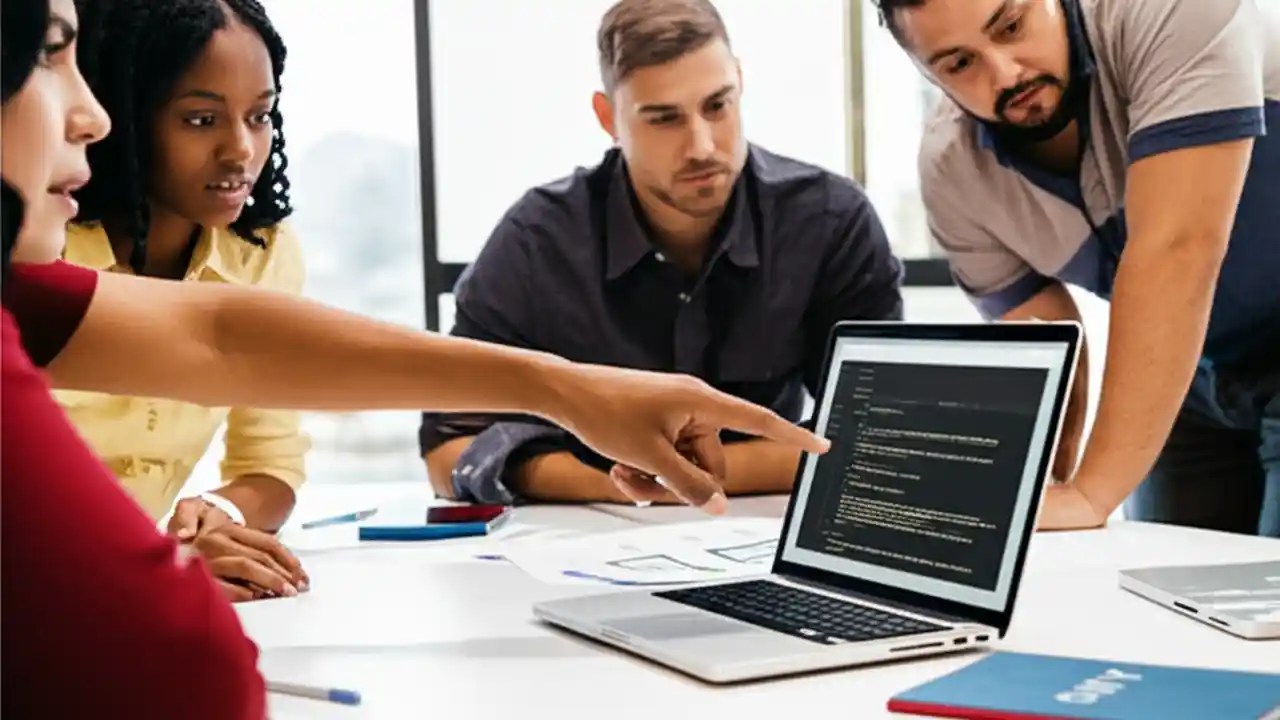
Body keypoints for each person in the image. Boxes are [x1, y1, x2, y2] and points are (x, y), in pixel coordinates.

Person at [1, 0, 826, 711]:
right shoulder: (541, 234)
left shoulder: (89, 284)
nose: (92, 115)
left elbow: (220, 338)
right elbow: (192, 670)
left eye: (261, 115)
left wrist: (566, 390)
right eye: (49, 55)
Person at [420, 0, 903, 505]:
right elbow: (448, 449)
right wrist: (624, 489)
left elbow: (881, 432)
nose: (702, 146)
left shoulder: (828, 220)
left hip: (759, 533)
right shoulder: (538, 241)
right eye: (664, 119)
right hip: (592, 533)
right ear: (608, 117)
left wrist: (670, 482)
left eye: (717, 106)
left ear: (739, 82)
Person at [869, 0, 1279, 534]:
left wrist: (1091, 492)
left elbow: (1176, 250)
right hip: (1195, 378)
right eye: (960, 63)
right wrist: (1055, 484)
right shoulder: (952, 172)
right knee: (1156, 574)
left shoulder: (1172, 11)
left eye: (1011, 26)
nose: (1006, 74)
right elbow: (1047, 342)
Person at [55, 0, 311, 602]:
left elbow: (272, 461)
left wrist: (221, 513)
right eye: (201, 119)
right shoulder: (37, 249)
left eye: (260, 116)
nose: (241, 149)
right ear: (121, 114)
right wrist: (150, 565)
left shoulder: (260, 254)